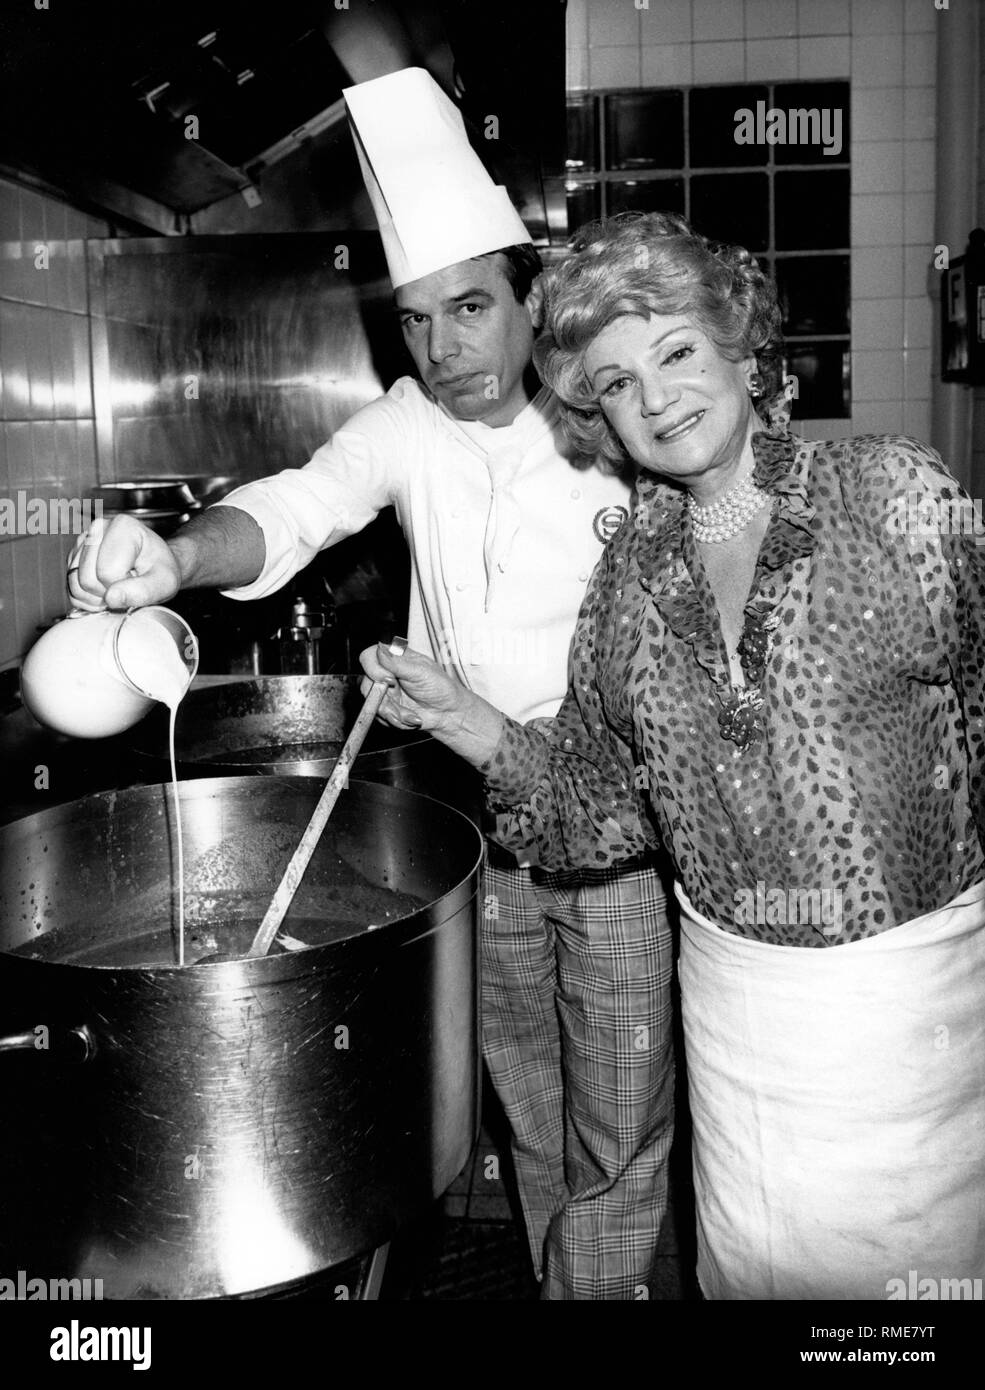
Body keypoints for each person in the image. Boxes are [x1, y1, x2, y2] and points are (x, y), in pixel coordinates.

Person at [67, 72, 674, 1301]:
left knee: (620, 1138)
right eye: (413, 320)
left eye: (467, 309)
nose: (444, 349)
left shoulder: (617, 427)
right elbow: (294, 509)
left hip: (621, 835)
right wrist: (178, 555)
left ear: (529, 295)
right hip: (488, 830)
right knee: (537, 1119)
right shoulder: (403, 426)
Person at [360, 210, 985, 1300]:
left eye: (677, 352)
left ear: (740, 348)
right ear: (593, 416)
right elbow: (590, 805)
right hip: (739, 1035)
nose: (654, 400)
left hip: (911, 1031)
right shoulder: (628, 582)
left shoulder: (894, 496)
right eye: (611, 383)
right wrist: (461, 714)